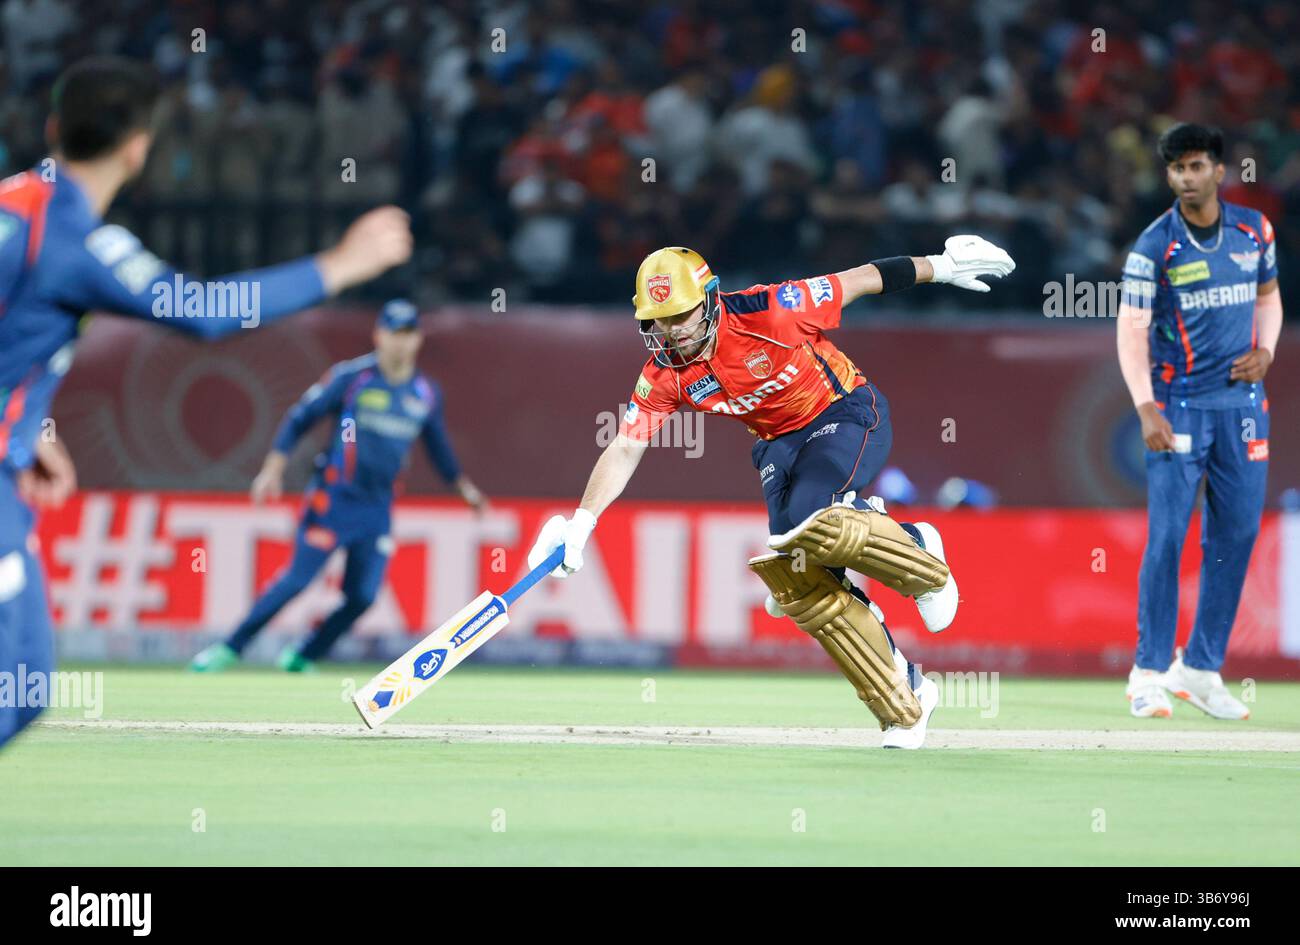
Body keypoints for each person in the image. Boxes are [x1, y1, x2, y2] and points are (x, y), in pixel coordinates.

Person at [0, 57, 413, 749]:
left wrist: (27, 422)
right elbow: (204, 310)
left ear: (52, 128)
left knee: (30, 684)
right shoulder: (81, 240)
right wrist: (339, 266)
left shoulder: (13, 203)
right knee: (24, 682)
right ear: (139, 147)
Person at [525, 238, 1014, 749]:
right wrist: (581, 523)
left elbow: (861, 278)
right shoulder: (665, 373)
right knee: (795, 577)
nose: (670, 332)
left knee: (812, 518)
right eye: (658, 320)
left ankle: (917, 551)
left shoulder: (773, 310)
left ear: (711, 300)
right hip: (778, 446)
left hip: (844, 412)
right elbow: (626, 446)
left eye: (680, 316)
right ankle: (905, 698)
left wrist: (942, 266)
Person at [190, 299, 487, 672]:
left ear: (418, 340)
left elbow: (438, 447)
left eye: (408, 334)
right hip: (333, 500)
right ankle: (229, 649)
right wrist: (272, 470)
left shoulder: (425, 394)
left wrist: (464, 490)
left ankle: (303, 655)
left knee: (362, 597)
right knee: (297, 581)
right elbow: (300, 417)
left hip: (377, 510)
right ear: (379, 335)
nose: (400, 342)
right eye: (394, 333)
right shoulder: (352, 378)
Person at [1117, 123, 1282, 720]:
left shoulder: (1253, 230)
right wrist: (1145, 406)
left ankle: (1202, 667)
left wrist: (1267, 349)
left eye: (1196, 166)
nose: (1186, 178)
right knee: (1167, 537)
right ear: (1169, 177)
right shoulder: (1153, 246)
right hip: (1177, 404)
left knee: (1236, 535)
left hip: (1242, 406)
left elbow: (1268, 297)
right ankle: (1148, 671)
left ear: (1219, 170)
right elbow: (1130, 332)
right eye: (1176, 169)